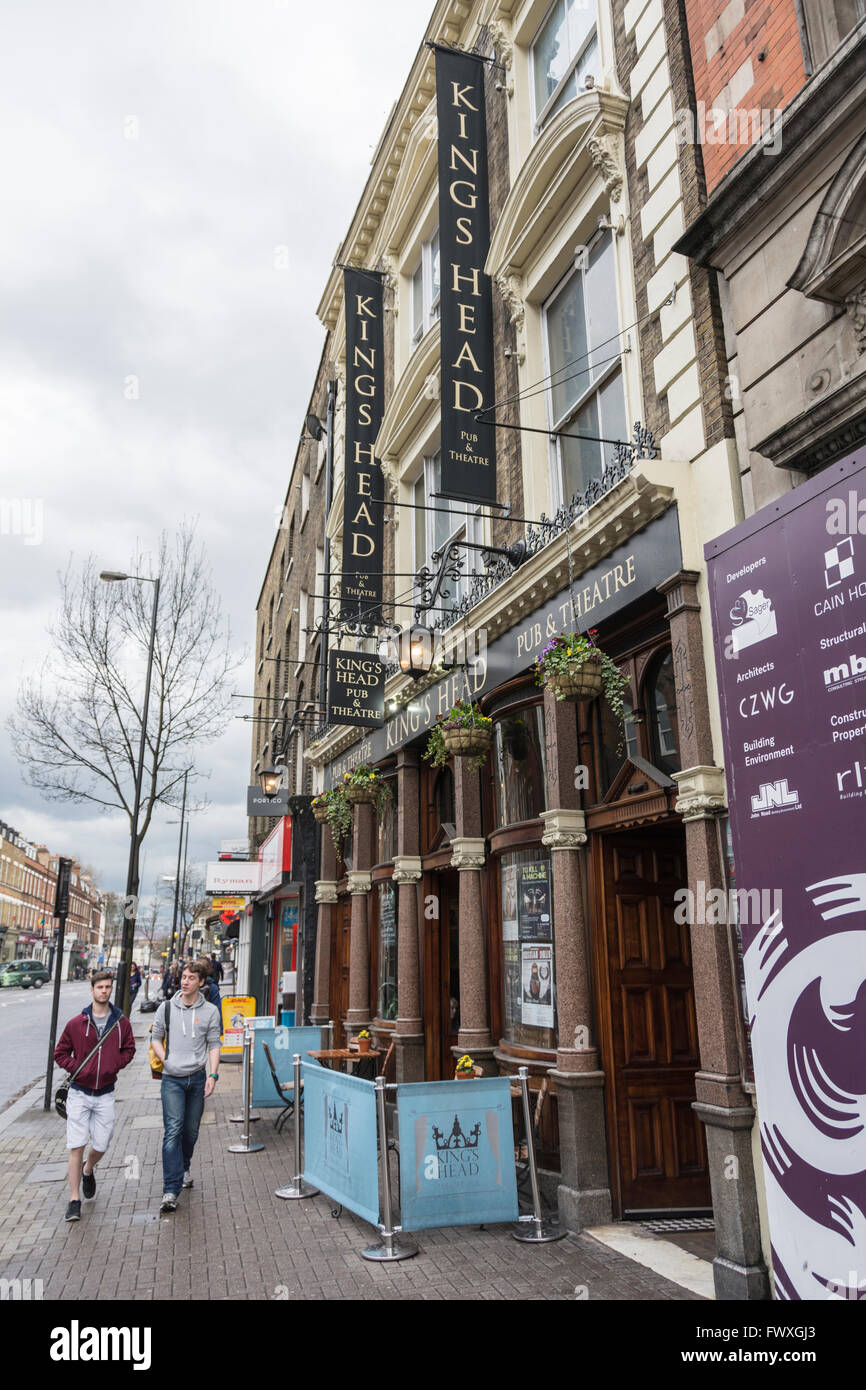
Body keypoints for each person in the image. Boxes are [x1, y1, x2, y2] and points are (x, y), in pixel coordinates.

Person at [54, 971, 136, 1222]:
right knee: (76, 1145)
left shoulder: (121, 1022)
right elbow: (60, 1053)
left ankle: (89, 1169)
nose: (104, 991)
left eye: (108, 987)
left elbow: (129, 1049)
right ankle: (74, 1200)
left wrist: (113, 1065)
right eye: (99, 987)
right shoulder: (76, 1023)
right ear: (91, 990)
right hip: (79, 1092)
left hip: (105, 1094)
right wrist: (79, 1068)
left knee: (101, 1144)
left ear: (111, 989)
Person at [150, 959, 221, 1212]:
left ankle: (185, 1165)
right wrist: (164, 1058)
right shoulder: (167, 1008)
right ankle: (170, 1189)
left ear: (201, 982)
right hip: (172, 1079)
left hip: (198, 1077)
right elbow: (156, 1036)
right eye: (183, 976)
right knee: (173, 1130)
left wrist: (213, 1076)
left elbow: (214, 1045)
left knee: (190, 1131)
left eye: (191, 977)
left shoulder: (211, 1012)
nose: (185, 981)